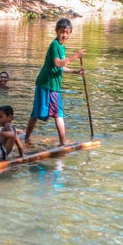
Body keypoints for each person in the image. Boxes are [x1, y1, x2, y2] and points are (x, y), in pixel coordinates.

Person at [24, 17, 86, 147]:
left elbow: (61, 67)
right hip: (49, 84)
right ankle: (62, 143)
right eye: (61, 32)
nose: (64, 35)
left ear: (70, 33)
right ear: (56, 31)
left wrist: (76, 72)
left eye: (66, 33)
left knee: (42, 113)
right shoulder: (54, 45)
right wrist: (75, 56)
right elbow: (57, 64)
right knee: (56, 113)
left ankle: (27, 138)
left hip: (49, 83)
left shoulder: (61, 47)